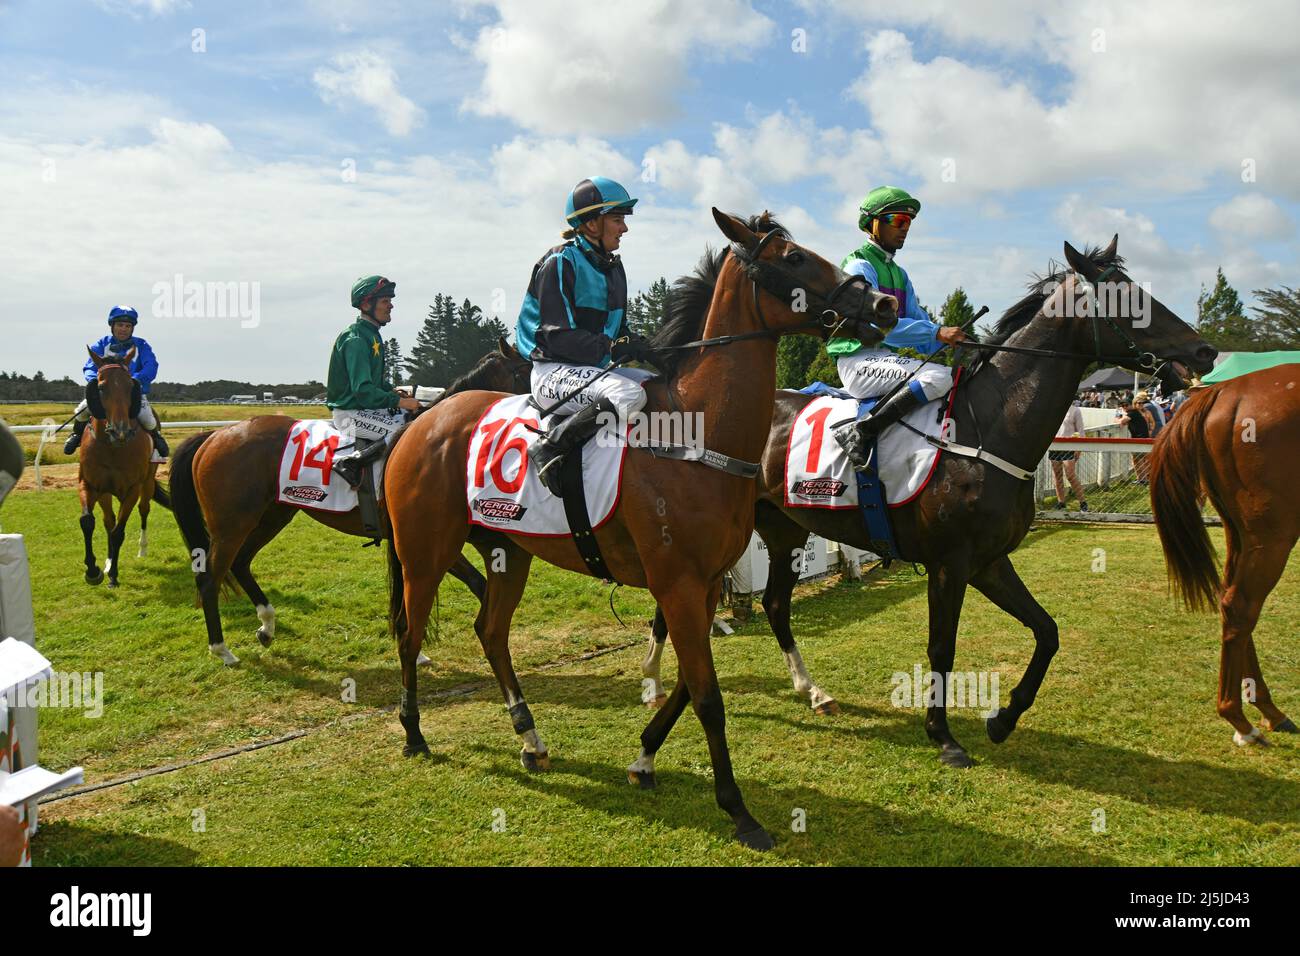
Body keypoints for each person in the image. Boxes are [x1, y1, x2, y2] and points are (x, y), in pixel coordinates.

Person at [516, 177, 654, 495]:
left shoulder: (614, 270)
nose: (624, 229)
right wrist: (613, 346)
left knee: (655, 386)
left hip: (594, 372)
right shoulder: (559, 262)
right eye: (617, 220)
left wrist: (645, 346)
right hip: (553, 373)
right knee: (630, 396)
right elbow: (557, 337)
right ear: (592, 223)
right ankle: (550, 446)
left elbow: (619, 332)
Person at [829, 186, 969, 470]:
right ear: (873, 223)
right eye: (898, 221)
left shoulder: (899, 274)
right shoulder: (860, 265)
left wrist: (950, 340)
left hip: (882, 360)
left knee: (958, 377)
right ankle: (860, 432)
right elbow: (878, 323)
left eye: (909, 223)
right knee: (938, 379)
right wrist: (936, 333)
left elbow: (920, 323)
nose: (905, 229)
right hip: (857, 361)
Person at [326, 276, 421, 487]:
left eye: (390, 300)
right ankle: (350, 463)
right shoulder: (356, 339)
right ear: (367, 304)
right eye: (385, 301)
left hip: (365, 412)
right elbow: (363, 391)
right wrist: (400, 403)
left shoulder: (371, 335)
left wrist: (394, 392)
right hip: (349, 415)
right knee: (402, 433)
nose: (391, 305)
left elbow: (376, 382)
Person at [63, 307, 168, 457]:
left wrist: (134, 380)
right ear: (112, 326)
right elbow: (90, 367)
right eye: (120, 325)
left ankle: (156, 437)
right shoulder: (101, 344)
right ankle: (76, 434)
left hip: (132, 392)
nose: (123, 329)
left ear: (132, 328)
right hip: (106, 392)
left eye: (128, 326)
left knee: (148, 419)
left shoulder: (142, 345)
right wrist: (96, 380)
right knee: (81, 410)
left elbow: (151, 366)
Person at [1050, 402, 1088, 511]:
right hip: (1055, 445)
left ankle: (1083, 502)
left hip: (1069, 446)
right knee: (1057, 475)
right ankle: (1061, 502)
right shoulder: (1054, 409)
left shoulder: (1075, 410)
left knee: (1070, 475)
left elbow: (1081, 431)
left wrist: (1079, 449)